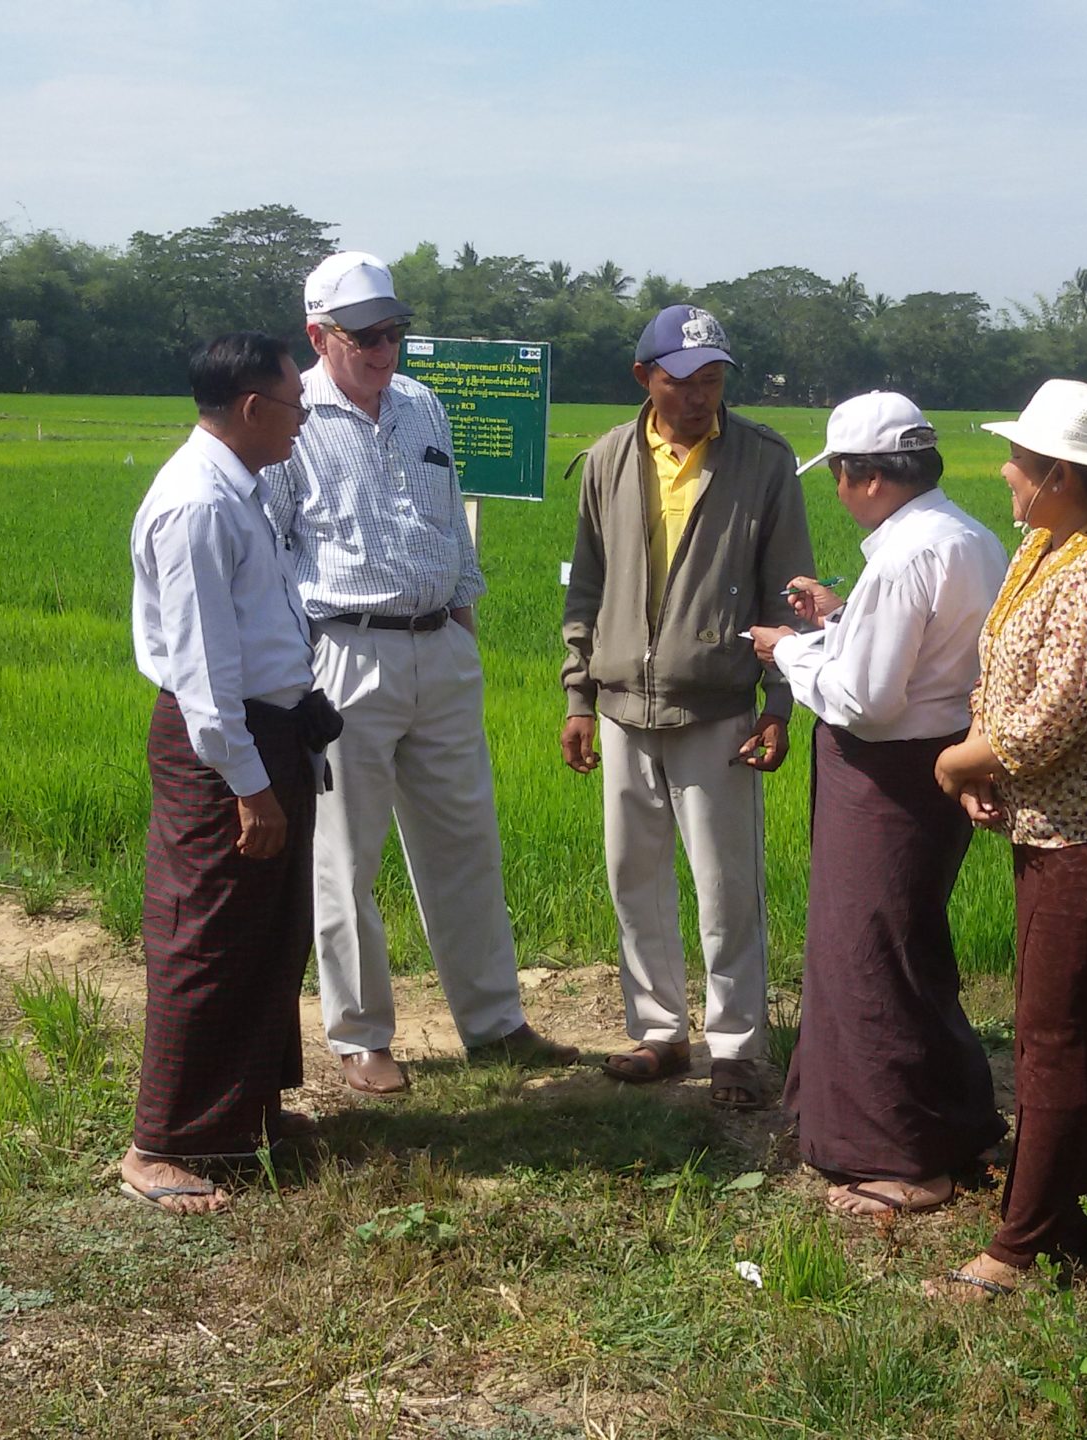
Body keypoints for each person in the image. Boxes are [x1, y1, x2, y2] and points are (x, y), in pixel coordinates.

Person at [268, 251, 576, 1095]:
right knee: (345, 855)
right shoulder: (292, 419)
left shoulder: (421, 404)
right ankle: (360, 1036)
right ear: (318, 335)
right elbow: (271, 552)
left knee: (466, 842)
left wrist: (463, 635)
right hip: (342, 652)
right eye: (365, 334)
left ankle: (495, 1022)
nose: (384, 347)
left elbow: (447, 530)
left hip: (440, 646)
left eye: (394, 330)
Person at [925, 378, 1087, 1298]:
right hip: (1059, 815)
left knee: (1052, 1035)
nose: (1004, 470)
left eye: (1020, 460)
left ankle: (1026, 1247)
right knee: (1086, 1024)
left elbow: (1051, 719)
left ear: (1062, 475)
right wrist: (982, 760)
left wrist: (960, 766)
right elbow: (1002, 673)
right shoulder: (1046, 546)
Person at [746, 391, 1009, 1216]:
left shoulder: (900, 556)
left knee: (870, 955)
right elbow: (931, 652)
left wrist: (789, 651)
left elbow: (866, 701)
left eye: (840, 477)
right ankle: (954, 1123)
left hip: (887, 773)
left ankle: (902, 1158)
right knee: (909, 943)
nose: (838, 491)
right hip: (938, 764)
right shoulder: (968, 535)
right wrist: (841, 615)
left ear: (863, 477)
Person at [560, 304, 814, 1109]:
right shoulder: (606, 460)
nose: (701, 397)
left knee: (725, 883)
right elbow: (588, 587)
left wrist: (779, 702)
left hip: (718, 704)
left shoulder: (763, 461)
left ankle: (737, 1045)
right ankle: (660, 1032)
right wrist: (577, 690)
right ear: (646, 379)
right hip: (620, 704)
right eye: (683, 381)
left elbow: (790, 588)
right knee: (634, 876)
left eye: (713, 380)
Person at [122, 332, 341, 1216]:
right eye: (296, 407)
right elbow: (205, 671)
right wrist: (249, 784)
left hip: (270, 734)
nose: (302, 424)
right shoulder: (197, 506)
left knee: (267, 930)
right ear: (253, 408)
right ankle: (161, 1143)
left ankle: (246, 1112)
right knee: (204, 935)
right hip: (227, 748)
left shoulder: (238, 488)